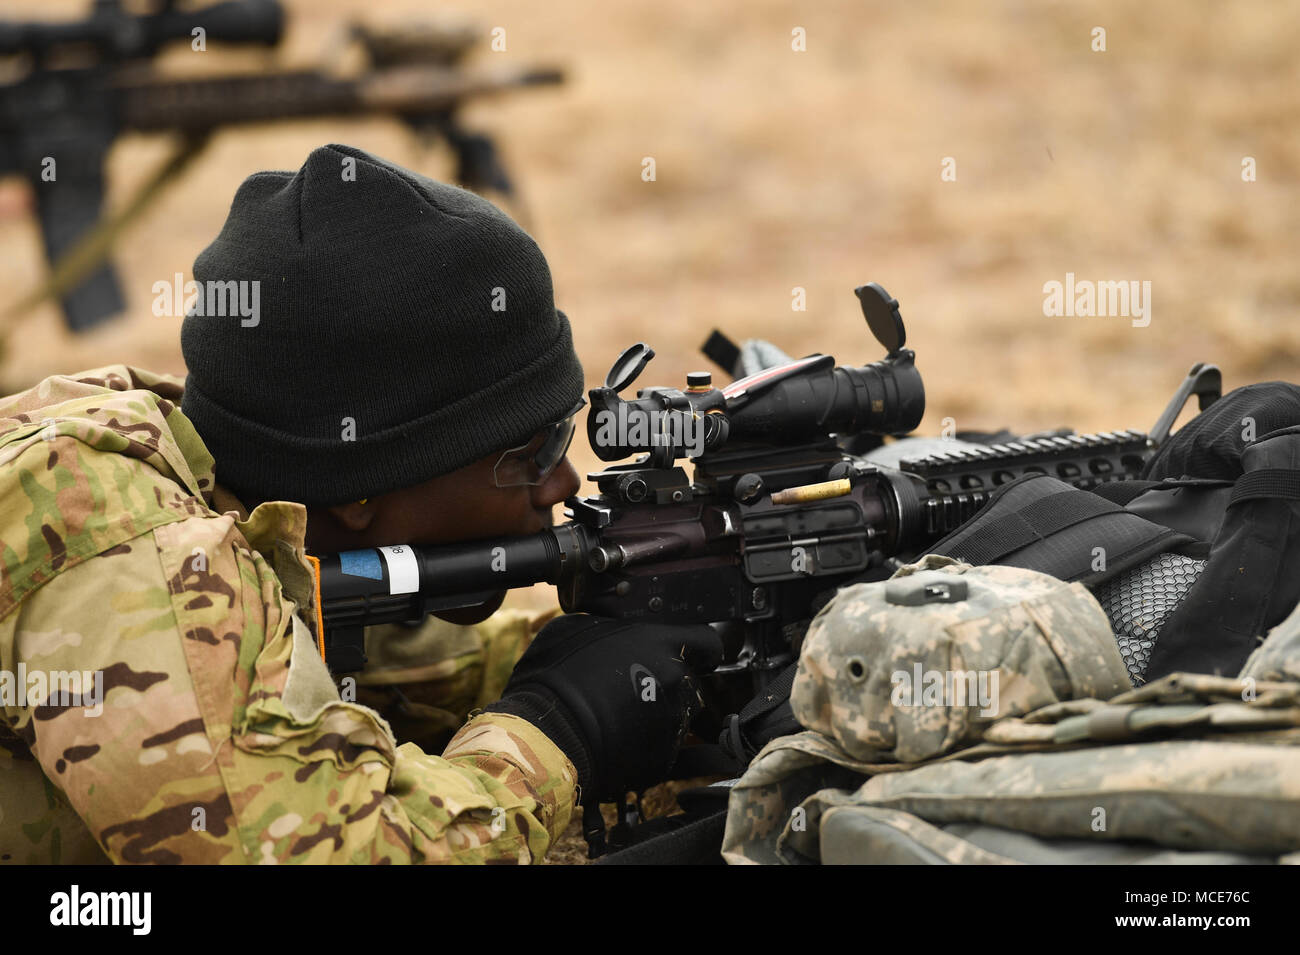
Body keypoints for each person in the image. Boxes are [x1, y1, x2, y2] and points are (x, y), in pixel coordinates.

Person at [0, 144, 721, 864]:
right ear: (359, 488)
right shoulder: (127, 547)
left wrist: (654, 652)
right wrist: (559, 727)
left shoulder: (254, 494)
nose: (560, 484)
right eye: (531, 453)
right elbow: (331, 853)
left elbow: (399, 672)